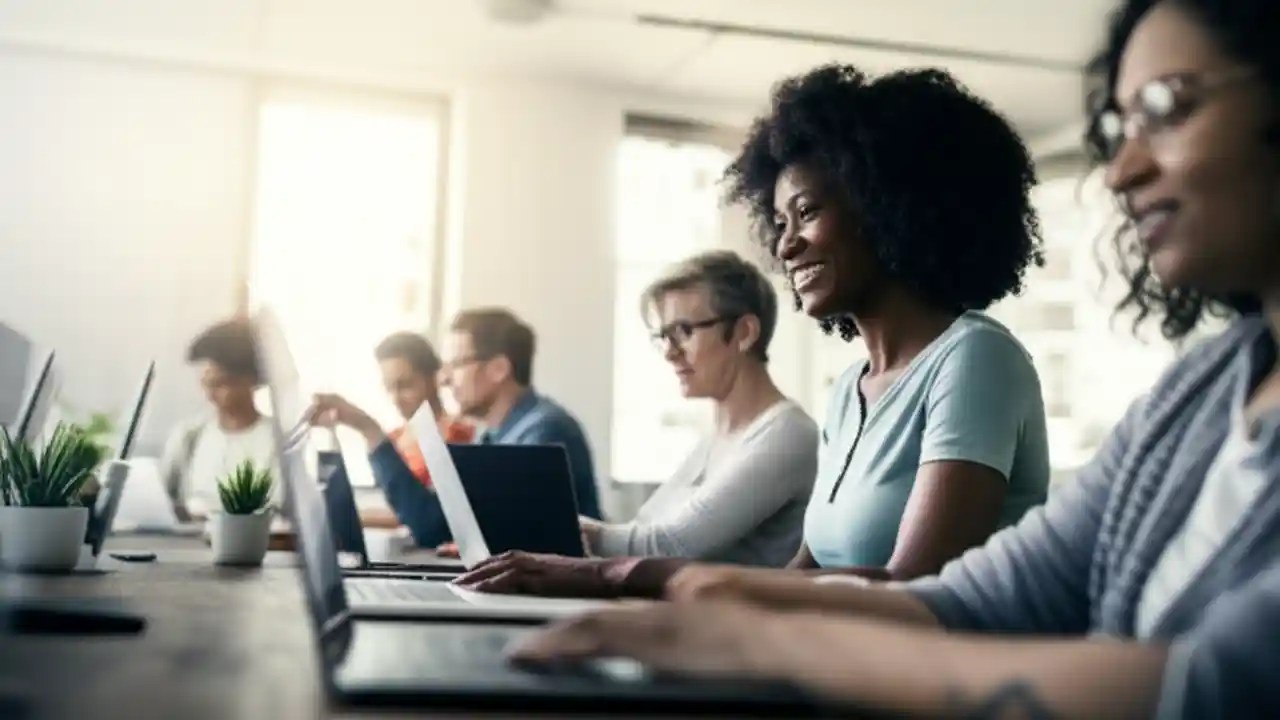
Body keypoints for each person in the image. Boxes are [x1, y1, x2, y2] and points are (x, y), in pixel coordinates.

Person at [507, 2, 1280, 717]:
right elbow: (968, 597)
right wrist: (618, 579)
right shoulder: (1203, 390)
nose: (1122, 171)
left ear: (888, 205)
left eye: (1167, 108)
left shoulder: (975, 356)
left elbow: (1211, 685)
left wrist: (741, 630)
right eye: (1117, 133)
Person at [458, 63, 1049, 596]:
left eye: (809, 212)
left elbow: (911, 590)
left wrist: (614, 574)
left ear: (888, 207)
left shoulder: (976, 358)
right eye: (780, 221)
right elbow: (800, 581)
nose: (787, 244)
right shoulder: (850, 391)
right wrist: (596, 581)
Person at [457, 252, 818, 586]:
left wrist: (556, 531)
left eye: (684, 332)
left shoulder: (787, 434)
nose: (670, 353)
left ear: (744, 333)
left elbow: (669, 545)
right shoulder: (720, 437)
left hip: (728, 639)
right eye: (663, 336)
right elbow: (643, 528)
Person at [310, 332, 475, 545]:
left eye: (405, 385)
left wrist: (367, 428)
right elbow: (396, 510)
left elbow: (427, 517)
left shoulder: (460, 437)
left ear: (434, 378)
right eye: (389, 387)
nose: (396, 399)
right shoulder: (396, 438)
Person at [439, 308, 603, 520]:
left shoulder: (545, 431)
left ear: (499, 369)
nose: (444, 379)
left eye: (456, 365)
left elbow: (513, 528)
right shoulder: (491, 435)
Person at [160, 318, 280, 518]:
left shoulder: (277, 442)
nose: (211, 394)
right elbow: (162, 501)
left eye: (222, 383)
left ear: (252, 381)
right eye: (207, 383)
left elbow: (279, 514)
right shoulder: (189, 436)